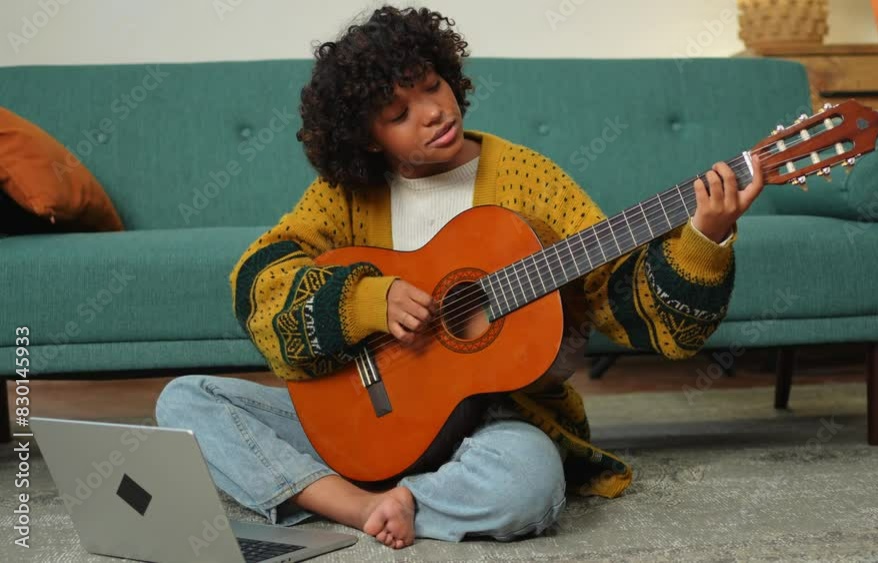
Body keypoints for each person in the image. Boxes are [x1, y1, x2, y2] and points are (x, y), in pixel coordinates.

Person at [155, 4, 764, 550]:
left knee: (529, 484)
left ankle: (406, 499)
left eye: (433, 85)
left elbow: (620, 298)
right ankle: (360, 505)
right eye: (399, 112)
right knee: (184, 400)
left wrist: (705, 238)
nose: (433, 112)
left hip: (496, 425)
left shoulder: (529, 180)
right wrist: (368, 300)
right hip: (357, 415)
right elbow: (260, 282)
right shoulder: (346, 195)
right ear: (366, 140)